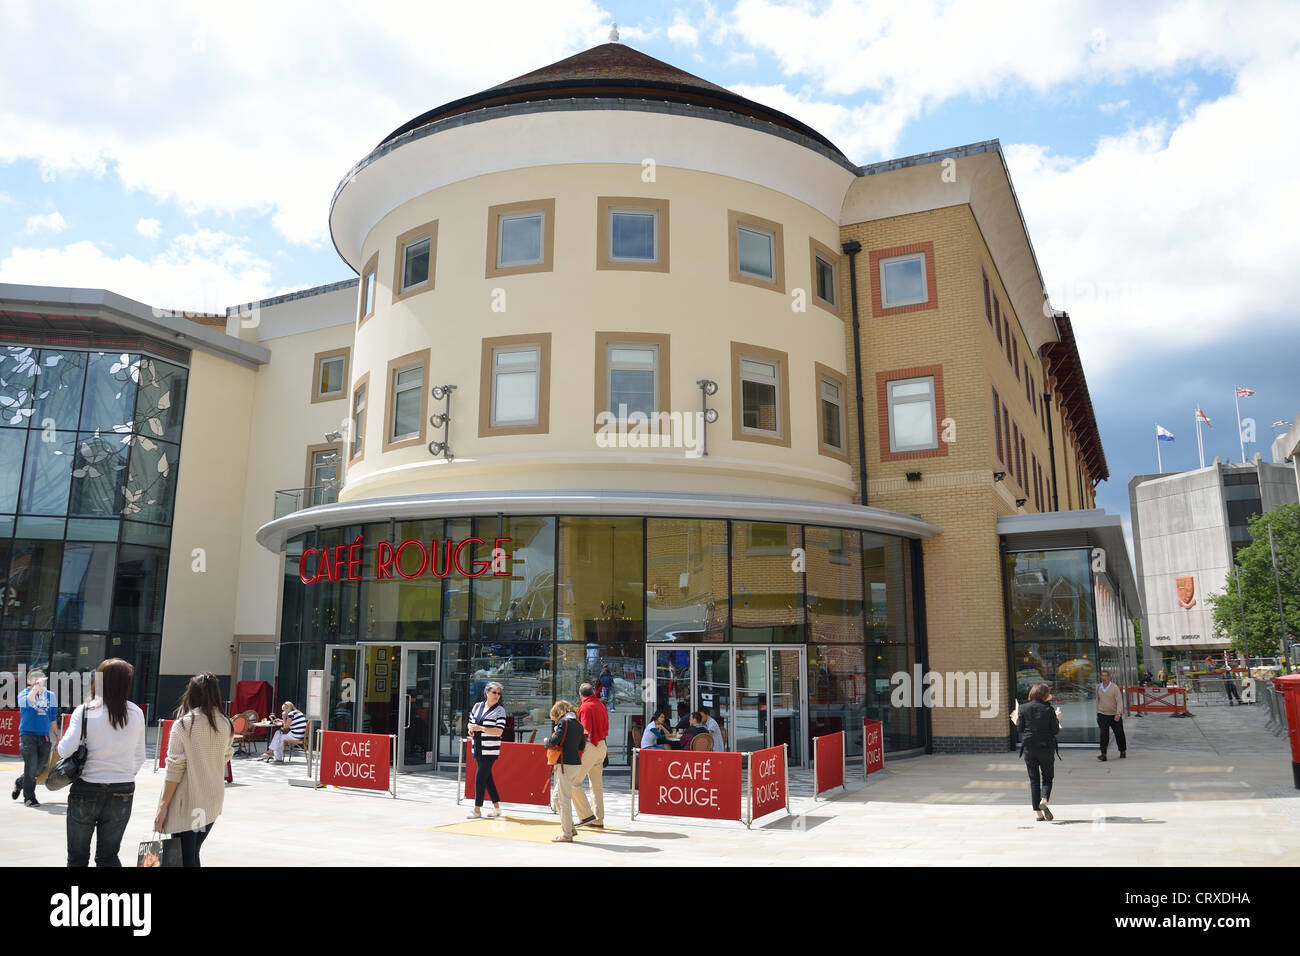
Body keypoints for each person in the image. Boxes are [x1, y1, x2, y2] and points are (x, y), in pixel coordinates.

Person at [58, 658, 146, 867]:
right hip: (123, 788)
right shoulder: (136, 712)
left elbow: (64, 750)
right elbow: (140, 756)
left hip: (87, 787)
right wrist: (122, 773)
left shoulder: (85, 711)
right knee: (109, 857)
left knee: (77, 858)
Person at [153, 673, 234, 867]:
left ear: (191, 693)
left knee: (184, 855)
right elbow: (225, 756)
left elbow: (175, 768)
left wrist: (163, 806)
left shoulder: (184, 724)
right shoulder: (226, 723)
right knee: (191, 852)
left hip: (188, 802)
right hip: (212, 800)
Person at [1013, 682, 1061, 822]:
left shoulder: (1023, 708)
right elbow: (1055, 730)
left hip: (1029, 748)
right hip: (1046, 747)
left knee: (1034, 781)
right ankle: (1044, 800)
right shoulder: (1049, 709)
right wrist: (1056, 719)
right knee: (1047, 777)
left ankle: (1039, 815)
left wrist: (1016, 720)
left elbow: (1020, 729)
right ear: (1045, 694)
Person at [12, 668, 58, 808]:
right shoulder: (24, 694)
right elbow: (29, 701)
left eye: (41, 679)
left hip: (44, 736)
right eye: (35, 679)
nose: (39, 681)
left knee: (39, 768)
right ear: (28, 681)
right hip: (27, 736)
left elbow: (52, 717)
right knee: (31, 766)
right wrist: (36, 688)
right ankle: (29, 798)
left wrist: (57, 735)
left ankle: (20, 782)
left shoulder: (50, 695)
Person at [545, 699, 586, 843]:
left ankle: (567, 834)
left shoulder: (564, 723)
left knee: (563, 800)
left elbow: (554, 741)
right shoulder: (579, 725)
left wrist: (546, 741)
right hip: (575, 764)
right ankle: (570, 828)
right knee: (557, 798)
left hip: (565, 765)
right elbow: (582, 746)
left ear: (559, 713)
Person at [466, 682, 506, 819]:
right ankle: (497, 808)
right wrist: (470, 729)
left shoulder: (500, 710)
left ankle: (477, 810)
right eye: (494, 692)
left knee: (480, 778)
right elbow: (470, 722)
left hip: (490, 749)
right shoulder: (477, 706)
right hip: (478, 746)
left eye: (499, 693)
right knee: (487, 778)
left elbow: (499, 731)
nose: (497, 695)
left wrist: (481, 728)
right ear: (487, 693)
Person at [571, 682, 608, 828]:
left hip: (590, 746)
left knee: (573, 782)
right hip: (602, 746)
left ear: (580, 695)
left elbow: (585, 730)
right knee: (596, 785)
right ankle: (598, 819)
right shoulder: (601, 705)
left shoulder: (585, 707)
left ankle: (586, 815)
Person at [1096, 669, 1126, 760]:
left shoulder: (1114, 688)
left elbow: (1119, 701)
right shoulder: (1098, 687)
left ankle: (1122, 751)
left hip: (1114, 715)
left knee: (1119, 734)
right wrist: (1097, 713)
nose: (1103, 677)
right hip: (1102, 714)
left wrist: (1118, 714)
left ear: (1109, 677)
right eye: (1102, 676)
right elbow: (1097, 701)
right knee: (1104, 734)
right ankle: (1103, 754)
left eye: (1105, 676)